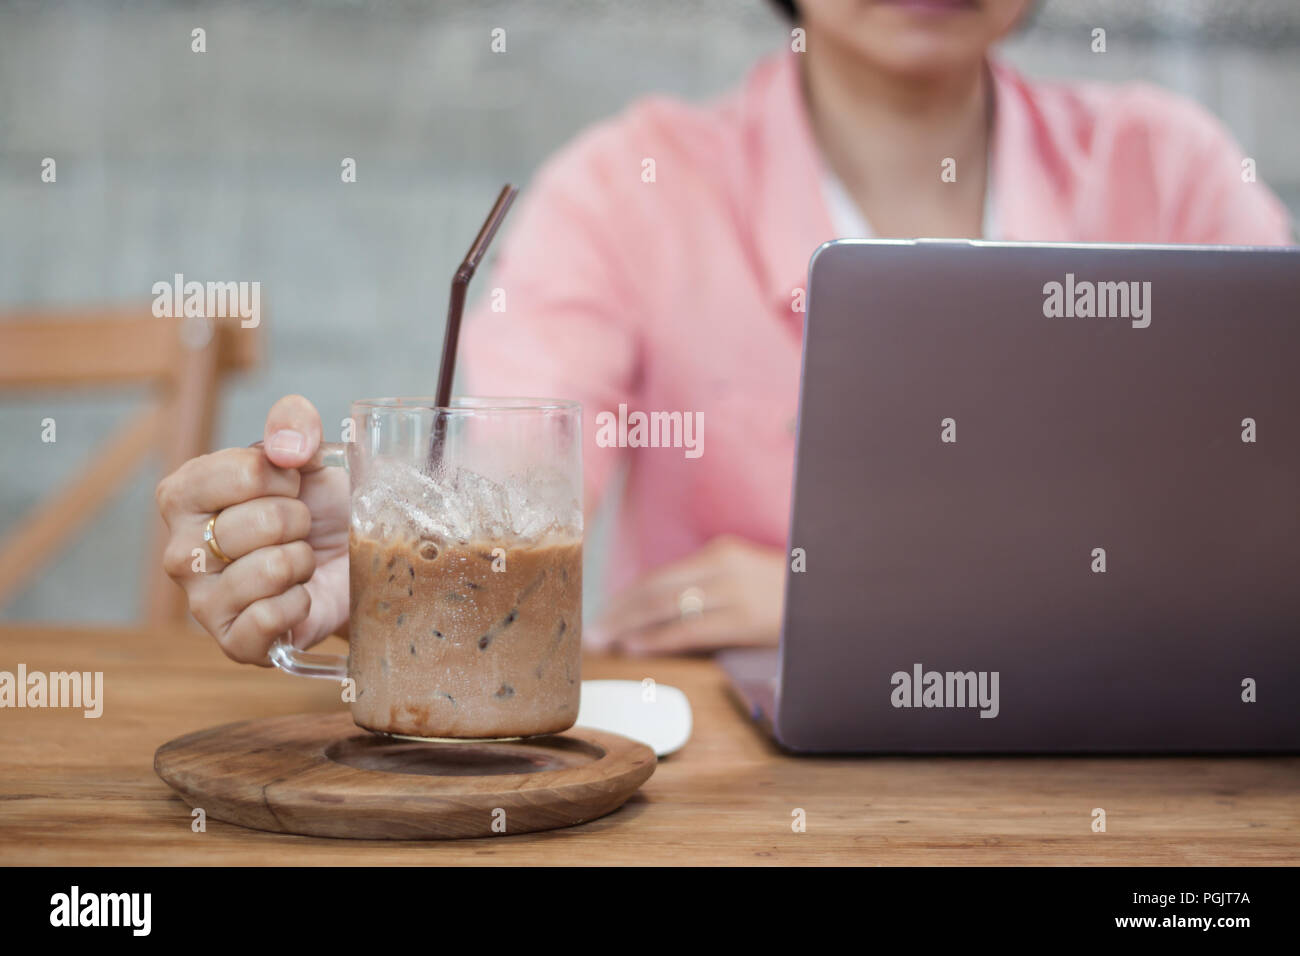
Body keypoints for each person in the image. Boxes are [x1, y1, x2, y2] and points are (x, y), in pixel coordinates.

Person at [155, 0, 1292, 667]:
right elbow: (506, 475)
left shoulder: (1176, 173)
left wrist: (865, 594)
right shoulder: (632, 185)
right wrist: (389, 546)